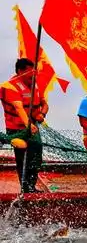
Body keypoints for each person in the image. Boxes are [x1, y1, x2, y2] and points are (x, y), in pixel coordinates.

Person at [0, 57, 48, 193]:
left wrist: (42, 114)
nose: (33, 76)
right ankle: (25, 188)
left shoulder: (35, 85)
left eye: (34, 72)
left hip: (33, 127)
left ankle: (32, 185)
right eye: (29, 73)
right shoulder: (9, 86)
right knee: (23, 157)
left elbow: (44, 104)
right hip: (16, 130)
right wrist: (29, 125)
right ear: (20, 72)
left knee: (36, 154)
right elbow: (19, 108)